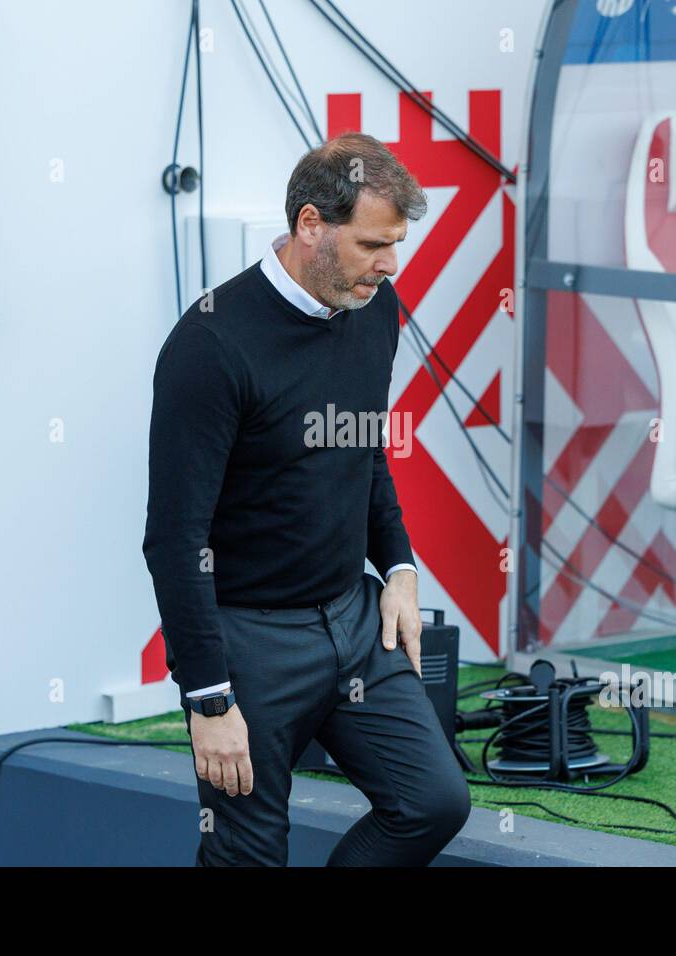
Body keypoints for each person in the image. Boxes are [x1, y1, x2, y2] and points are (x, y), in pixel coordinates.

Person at [142, 131, 472, 865]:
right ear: (311, 225)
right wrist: (208, 698)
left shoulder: (373, 307)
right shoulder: (210, 344)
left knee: (434, 803)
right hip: (250, 644)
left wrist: (401, 569)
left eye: (396, 245)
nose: (389, 265)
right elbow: (173, 540)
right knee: (248, 857)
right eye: (372, 244)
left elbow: (365, 451)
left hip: (355, 622)